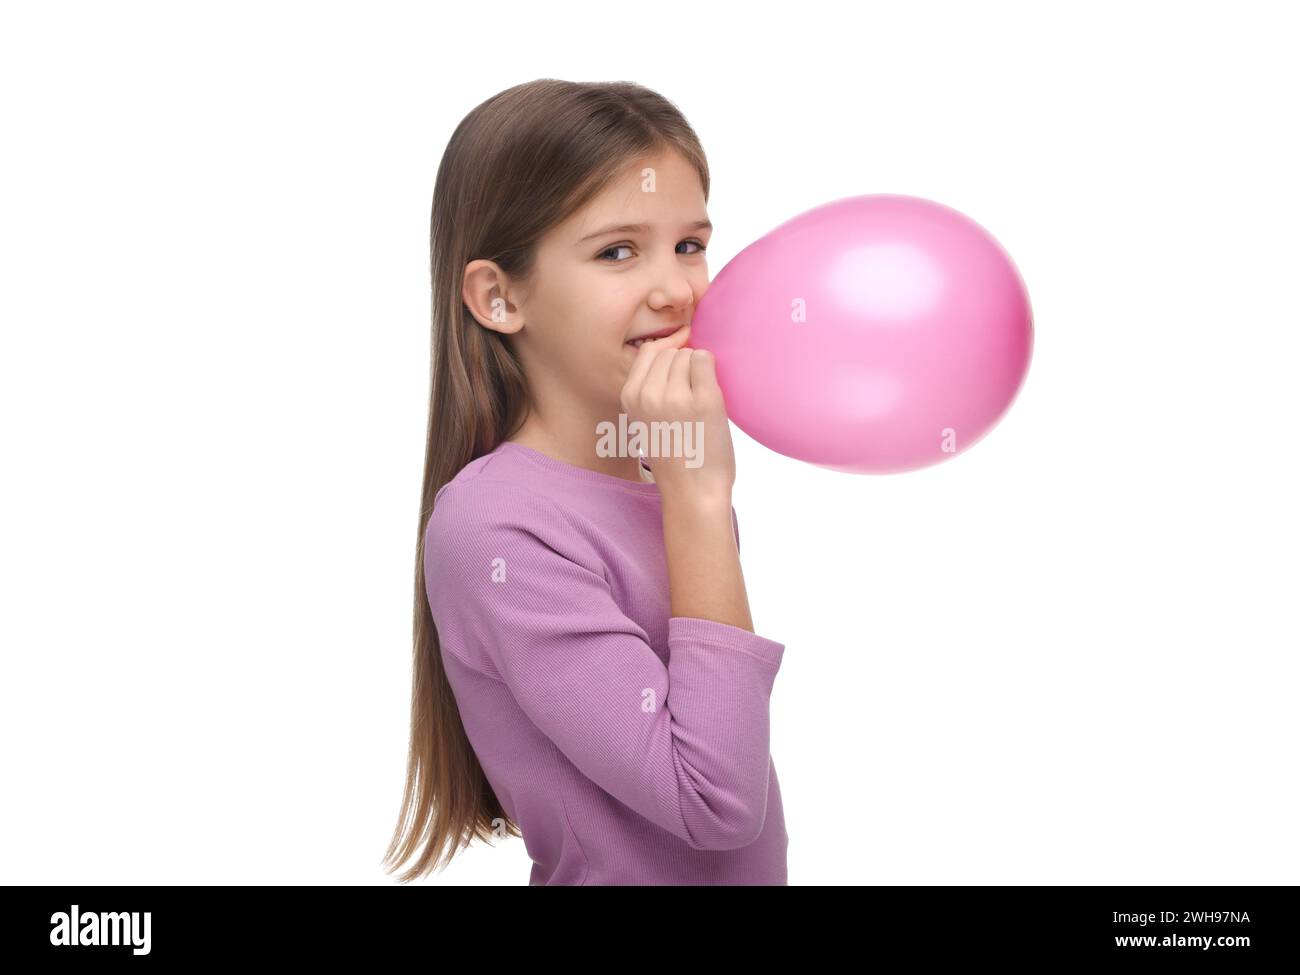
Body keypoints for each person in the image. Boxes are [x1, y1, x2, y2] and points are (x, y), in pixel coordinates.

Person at [383, 79, 788, 885]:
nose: (676, 290)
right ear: (499, 297)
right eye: (617, 251)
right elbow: (715, 801)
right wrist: (701, 499)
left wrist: (689, 492)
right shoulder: (494, 527)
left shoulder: (660, 476)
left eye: (690, 244)